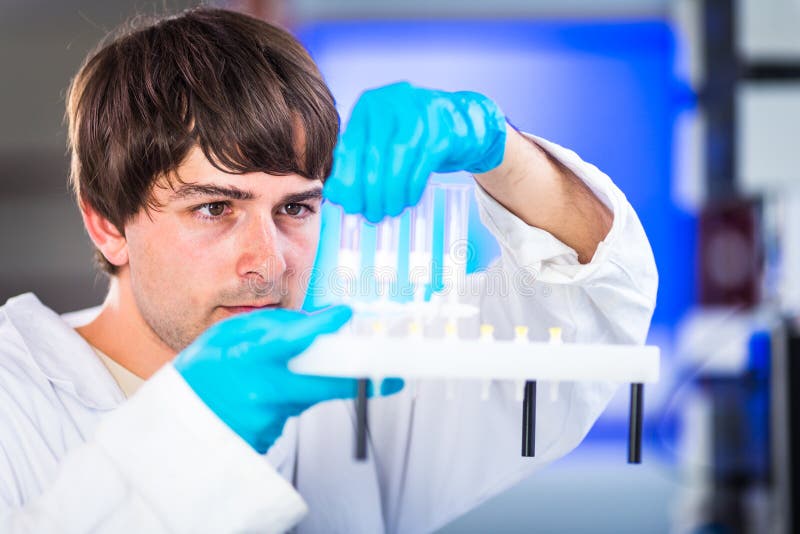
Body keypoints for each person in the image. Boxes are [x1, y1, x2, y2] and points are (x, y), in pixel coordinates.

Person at [0, 7, 657, 534]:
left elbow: (589, 308)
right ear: (106, 224)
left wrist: (501, 153)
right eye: (213, 208)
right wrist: (198, 428)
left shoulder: (351, 383)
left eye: (294, 206)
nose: (269, 261)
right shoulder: (17, 396)